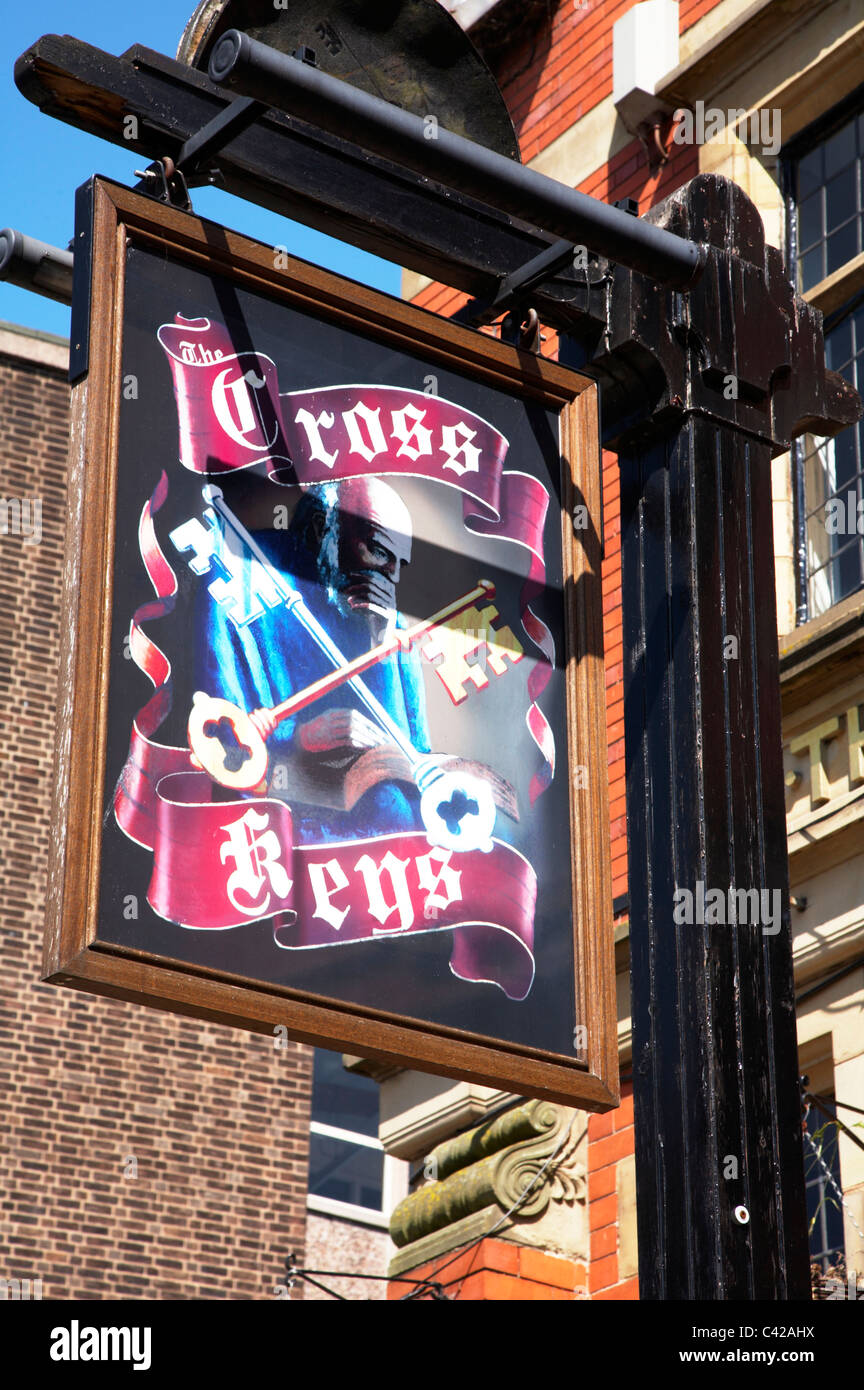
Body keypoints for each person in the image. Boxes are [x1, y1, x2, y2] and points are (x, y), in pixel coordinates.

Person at [194, 476, 431, 842]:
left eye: (400, 562)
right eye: (379, 551)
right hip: (273, 804)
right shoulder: (242, 573)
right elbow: (218, 734)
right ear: (324, 527)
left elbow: (411, 753)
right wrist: (300, 736)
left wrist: (380, 642)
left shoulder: (383, 608)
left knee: (392, 808)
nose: (392, 576)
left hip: (371, 808)